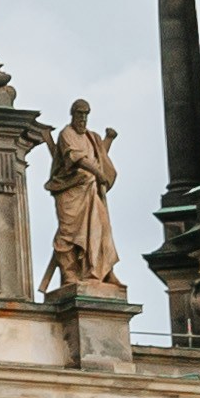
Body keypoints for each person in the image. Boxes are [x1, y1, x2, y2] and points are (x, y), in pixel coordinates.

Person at [44, 103, 123, 296]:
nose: (83, 119)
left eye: (86, 115)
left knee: (101, 228)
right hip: (69, 189)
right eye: (79, 114)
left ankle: (102, 270)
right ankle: (70, 273)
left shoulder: (91, 137)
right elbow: (78, 159)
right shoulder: (67, 134)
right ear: (73, 114)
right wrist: (97, 173)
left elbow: (99, 156)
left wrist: (108, 139)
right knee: (68, 233)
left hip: (90, 190)